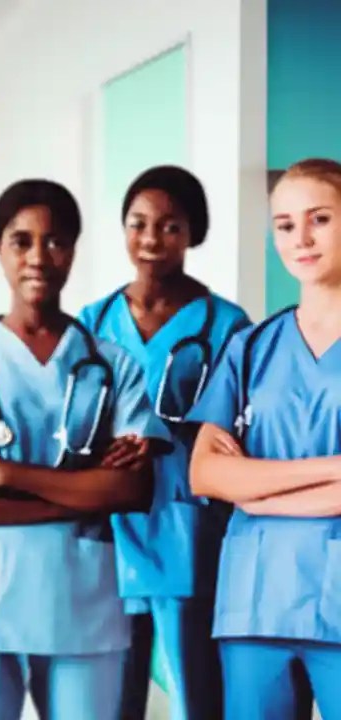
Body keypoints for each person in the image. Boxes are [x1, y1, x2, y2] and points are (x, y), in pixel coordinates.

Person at [0, 179, 171, 719]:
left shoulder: (112, 365)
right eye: (21, 241)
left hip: (81, 599)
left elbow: (131, 489)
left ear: (73, 251)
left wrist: (3, 473)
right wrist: (76, 499)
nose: (38, 256)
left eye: (55, 241)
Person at [77, 165, 250, 720]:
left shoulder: (226, 324)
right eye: (138, 223)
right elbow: (74, 418)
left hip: (185, 520)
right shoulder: (93, 319)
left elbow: (236, 429)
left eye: (170, 226)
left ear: (193, 233)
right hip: (109, 522)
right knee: (112, 689)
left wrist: (163, 438)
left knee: (192, 686)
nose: (151, 239)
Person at [188, 157, 341, 719]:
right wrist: (333, 470)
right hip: (255, 603)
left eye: (320, 218)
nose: (299, 237)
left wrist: (254, 490)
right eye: (284, 224)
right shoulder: (250, 349)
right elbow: (205, 474)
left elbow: (234, 479)